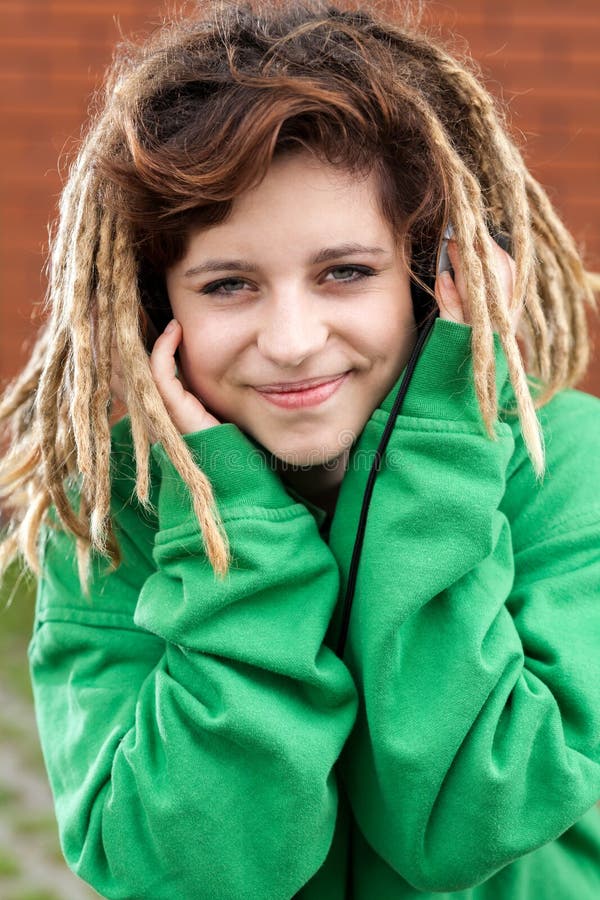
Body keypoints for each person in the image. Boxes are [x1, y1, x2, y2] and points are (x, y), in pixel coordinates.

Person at [1, 0, 599, 897]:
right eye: (230, 283)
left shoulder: (568, 470)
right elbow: (185, 875)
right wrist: (235, 543)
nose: (290, 340)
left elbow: (474, 815)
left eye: (345, 272)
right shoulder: (110, 512)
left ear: (441, 272)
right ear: (159, 311)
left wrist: (436, 451)